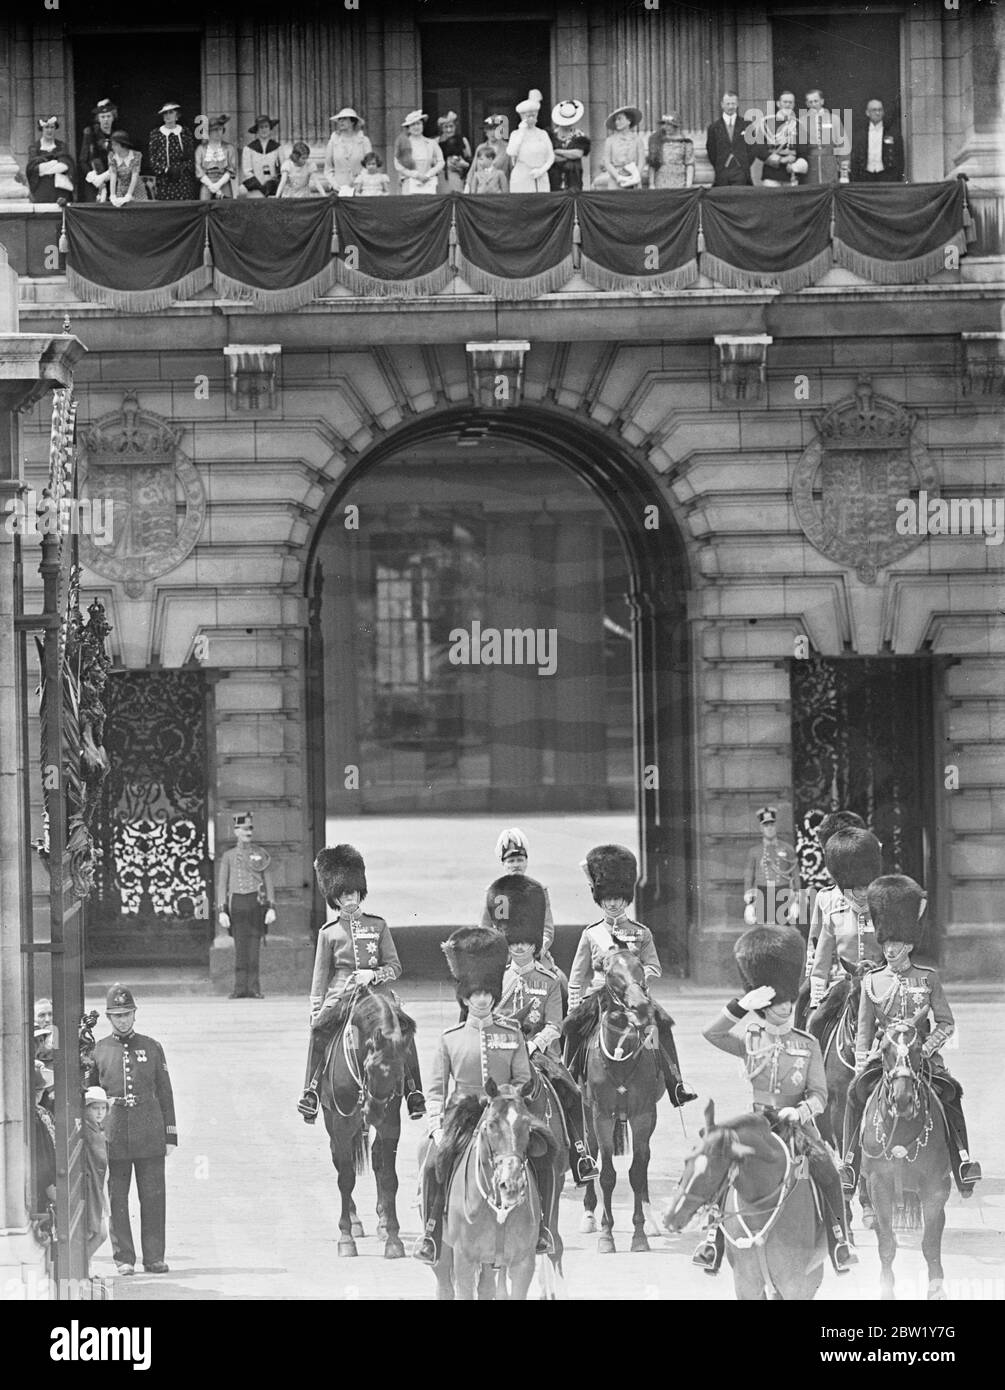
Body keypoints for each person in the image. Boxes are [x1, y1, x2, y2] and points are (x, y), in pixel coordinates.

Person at [695, 925, 855, 1276]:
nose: (786, 1008)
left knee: (828, 1171)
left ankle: (840, 1239)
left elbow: (820, 1095)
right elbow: (712, 1033)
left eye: (789, 1003)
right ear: (764, 1006)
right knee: (720, 1161)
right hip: (758, 1122)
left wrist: (800, 1111)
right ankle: (712, 1240)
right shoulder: (750, 1039)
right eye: (778, 1004)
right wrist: (739, 1006)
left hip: (797, 1122)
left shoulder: (807, 1043)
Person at [413, 926, 553, 1265]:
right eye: (475, 994)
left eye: (487, 993)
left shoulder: (512, 1033)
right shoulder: (450, 1038)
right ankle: (432, 1231)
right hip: (461, 1117)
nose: (482, 999)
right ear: (464, 997)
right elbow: (435, 1089)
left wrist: (512, 1100)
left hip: (504, 1115)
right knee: (432, 1159)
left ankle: (542, 1227)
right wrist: (436, 1125)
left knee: (545, 1154)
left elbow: (523, 1078)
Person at [841, 875, 981, 1199]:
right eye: (887, 943)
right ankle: (849, 1163)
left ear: (910, 944)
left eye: (897, 944)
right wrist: (863, 1060)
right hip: (886, 1059)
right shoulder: (871, 982)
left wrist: (927, 1049)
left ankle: (962, 1163)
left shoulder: (928, 979)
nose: (890, 949)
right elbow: (864, 1031)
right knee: (854, 1095)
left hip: (923, 1058)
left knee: (950, 1093)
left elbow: (946, 1023)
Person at [298, 844, 424, 1123]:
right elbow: (320, 977)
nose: (351, 898)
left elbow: (395, 966)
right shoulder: (328, 933)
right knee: (319, 1032)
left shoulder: (377, 925)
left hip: (377, 993)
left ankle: (414, 1091)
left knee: (404, 1028)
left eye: (354, 892)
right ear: (336, 898)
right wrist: (316, 1009)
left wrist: (375, 975)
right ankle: (311, 1091)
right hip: (341, 993)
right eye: (344, 894)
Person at [491, 873, 600, 1184]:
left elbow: (555, 1024)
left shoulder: (550, 981)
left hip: (538, 1055)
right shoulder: (495, 978)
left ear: (534, 944)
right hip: (501, 1051)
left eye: (526, 943)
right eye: (514, 943)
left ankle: (580, 1154)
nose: (520, 948)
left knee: (572, 1091)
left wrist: (534, 1045)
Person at [566, 844, 695, 1106]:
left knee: (662, 1028)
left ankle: (675, 1085)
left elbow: (654, 965)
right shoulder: (590, 934)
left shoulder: (641, 932)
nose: (613, 903)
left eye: (618, 898)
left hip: (634, 996)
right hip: (599, 998)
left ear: (626, 898)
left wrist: (640, 980)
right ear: (600, 899)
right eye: (607, 898)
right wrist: (573, 1003)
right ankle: (568, 1081)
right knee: (572, 1030)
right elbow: (577, 976)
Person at [94, 984, 176, 1275]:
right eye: (117, 1015)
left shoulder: (151, 1047)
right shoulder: (99, 1050)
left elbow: (165, 1091)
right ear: (108, 1017)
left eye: (127, 1014)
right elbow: (91, 1096)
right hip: (114, 1133)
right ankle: (124, 1258)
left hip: (149, 1130)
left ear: (135, 1014)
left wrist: (170, 1134)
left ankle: (154, 1257)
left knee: (153, 1196)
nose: (123, 1020)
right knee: (117, 1198)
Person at [808, 827, 886, 1013]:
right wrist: (816, 990)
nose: (862, 892)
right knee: (815, 1021)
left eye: (865, 888)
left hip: (879, 982)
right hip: (841, 982)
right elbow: (818, 951)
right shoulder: (832, 911)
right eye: (857, 888)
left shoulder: (884, 910)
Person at [479, 828, 558, 970]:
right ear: (503, 864)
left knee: (558, 983)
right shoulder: (494, 891)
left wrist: (539, 949)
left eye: (520, 860)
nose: (516, 864)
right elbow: (485, 929)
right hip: (503, 956)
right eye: (511, 860)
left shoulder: (539, 890)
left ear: (526, 861)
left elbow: (547, 929)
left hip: (534, 954)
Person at [216, 811, 276, 999]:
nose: (248, 831)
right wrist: (222, 910)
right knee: (240, 948)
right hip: (237, 904)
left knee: (254, 948)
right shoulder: (228, 856)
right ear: (235, 831)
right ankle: (240, 988)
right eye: (243, 828)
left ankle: (254, 988)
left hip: (256, 903)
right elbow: (222, 884)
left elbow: (268, 881)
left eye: (250, 828)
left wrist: (271, 906)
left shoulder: (260, 854)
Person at [742, 805, 801, 928]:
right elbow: (749, 878)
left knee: (784, 932)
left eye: (772, 825)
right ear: (761, 828)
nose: (769, 828)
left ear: (776, 826)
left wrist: (796, 901)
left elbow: (795, 874)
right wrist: (749, 904)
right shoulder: (754, 852)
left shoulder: (787, 849)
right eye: (766, 825)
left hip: (783, 893)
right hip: (762, 895)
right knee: (764, 932)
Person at [754, 91, 809, 187]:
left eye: (790, 102)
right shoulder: (765, 123)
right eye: (785, 102)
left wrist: (795, 166)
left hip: (791, 173)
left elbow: (803, 151)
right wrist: (780, 160)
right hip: (771, 175)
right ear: (778, 104)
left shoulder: (798, 125)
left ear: (794, 105)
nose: (787, 105)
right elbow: (759, 149)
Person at [505, 90, 554, 193]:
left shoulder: (542, 133)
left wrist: (542, 170)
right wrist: (522, 132)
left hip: (540, 174)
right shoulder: (515, 134)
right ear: (522, 117)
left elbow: (551, 156)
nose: (531, 118)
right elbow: (511, 152)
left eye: (534, 115)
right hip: (522, 173)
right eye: (528, 116)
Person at [147, 103, 196, 201]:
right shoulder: (156, 134)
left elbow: (190, 156)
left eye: (170, 112)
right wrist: (166, 170)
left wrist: (181, 169)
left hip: (183, 179)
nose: (167, 115)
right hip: (164, 179)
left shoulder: (185, 132)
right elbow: (153, 158)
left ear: (177, 115)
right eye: (165, 113)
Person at [705, 91, 755, 187]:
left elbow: (752, 149)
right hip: (722, 172)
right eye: (728, 104)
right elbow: (711, 150)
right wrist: (720, 165)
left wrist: (744, 163)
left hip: (741, 172)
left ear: (737, 104)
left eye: (733, 104)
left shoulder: (747, 125)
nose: (731, 107)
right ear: (722, 105)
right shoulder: (714, 127)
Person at [83, 1085, 110, 1259]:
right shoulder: (88, 1130)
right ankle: (83, 1268)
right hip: (90, 1187)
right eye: (95, 1108)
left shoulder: (97, 1128)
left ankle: (85, 1268)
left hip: (98, 1187)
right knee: (97, 1233)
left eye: (103, 1108)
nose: (99, 1113)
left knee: (99, 1234)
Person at [850, 99, 905, 184]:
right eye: (874, 110)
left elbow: (900, 158)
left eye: (880, 110)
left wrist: (897, 180)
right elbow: (854, 159)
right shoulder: (860, 134)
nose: (877, 113)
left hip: (887, 177)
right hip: (865, 177)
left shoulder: (893, 133)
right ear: (867, 113)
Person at [594, 106, 646, 190]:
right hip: (616, 179)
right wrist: (618, 177)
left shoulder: (637, 140)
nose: (617, 122)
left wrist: (636, 176)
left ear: (629, 121)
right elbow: (607, 163)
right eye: (615, 120)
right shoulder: (610, 140)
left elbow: (641, 162)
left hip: (634, 177)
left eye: (620, 119)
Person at [26, 117, 76, 203]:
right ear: (42, 129)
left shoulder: (61, 146)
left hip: (61, 191)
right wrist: (54, 162)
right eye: (46, 127)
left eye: (52, 127)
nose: (49, 130)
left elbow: (64, 166)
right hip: (42, 190)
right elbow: (34, 168)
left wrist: (44, 169)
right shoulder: (34, 148)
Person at [394, 110, 444, 195]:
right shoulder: (403, 143)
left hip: (428, 183)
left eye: (418, 124)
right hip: (410, 183)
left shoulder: (431, 143)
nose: (416, 127)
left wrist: (429, 174)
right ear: (408, 128)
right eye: (413, 124)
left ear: (422, 125)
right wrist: (415, 175)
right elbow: (397, 164)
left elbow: (441, 162)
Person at [324, 107, 372, 193]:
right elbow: (328, 168)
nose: (341, 121)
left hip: (359, 188)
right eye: (339, 119)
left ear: (353, 121)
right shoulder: (333, 141)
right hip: (339, 188)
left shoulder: (364, 141)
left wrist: (358, 182)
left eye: (344, 119)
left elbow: (369, 165)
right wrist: (334, 184)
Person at [802, 88, 843, 186]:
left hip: (830, 162)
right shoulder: (802, 121)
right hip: (811, 163)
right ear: (807, 104)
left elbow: (841, 145)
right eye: (810, 102)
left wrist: (843, 167)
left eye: (816, 101)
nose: (813, 104)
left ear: (822, 101)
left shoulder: (834, 119)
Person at [79, 98, 117, 201]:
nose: (106, 120)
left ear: (113, 117)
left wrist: (106, 176)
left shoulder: (117, 136)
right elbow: (82, 160)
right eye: (102, 117)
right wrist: (93, 177)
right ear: (98, 118)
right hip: (94, 183)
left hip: (113, 182)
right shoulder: (90, 134)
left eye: (108, 116)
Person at [549, 99, 590, 192]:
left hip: (574, 174)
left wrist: (558, 151)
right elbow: (549, 155)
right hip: (555, 175)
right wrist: (569, 155)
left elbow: (578, 153)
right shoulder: (552, 135)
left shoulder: (579, 134)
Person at [647, 112, 694, 189]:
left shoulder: (685, 142)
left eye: (669, 125)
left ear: (676, 126)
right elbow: (652, 164)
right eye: (664, 124)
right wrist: (651, 184)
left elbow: (689, 164)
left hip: (679, 182)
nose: (666, 127)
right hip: (660, 182)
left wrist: (688, 184)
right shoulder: (656, 141)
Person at [195, 114, 238, 199]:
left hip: (224, 181)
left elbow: (232, 168)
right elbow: (198, 169)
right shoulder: (201, 149)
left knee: (227, 206)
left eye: (220, 129)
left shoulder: (229, 148)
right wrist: (211, 186)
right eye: (214, 130)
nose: (218, 132)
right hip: (207, 181)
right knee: (204, 207)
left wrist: (219, 184)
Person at [241, 115, 282, 198]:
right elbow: (247, 171)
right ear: (257, 130)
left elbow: (282, 168)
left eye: (266, 126)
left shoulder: (278, 148)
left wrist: (274, 183)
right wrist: (260, 187)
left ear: (270, 128)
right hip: (256, 187)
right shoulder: (249, 149)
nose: (264, 130)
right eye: (261, 127)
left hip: (273, 187)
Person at [105, 130, 147, 205]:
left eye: (115, 145)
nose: (112, 147)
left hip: (136, 189)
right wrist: (112, 195)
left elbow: (135, 176)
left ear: (122, 145)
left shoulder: (136, 155)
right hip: (121, 190)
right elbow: (113, 176)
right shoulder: (112, 156)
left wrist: (129, 195)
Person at [436, 111, 471, 193]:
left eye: (451, 126)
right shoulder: (436, 142)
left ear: (455, 127)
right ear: (441, 128)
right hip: (442, 176)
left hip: (458, 175)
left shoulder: (463, 140)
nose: (449, 129)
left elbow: (469, 159)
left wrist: (463, 164)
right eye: (446, 127)